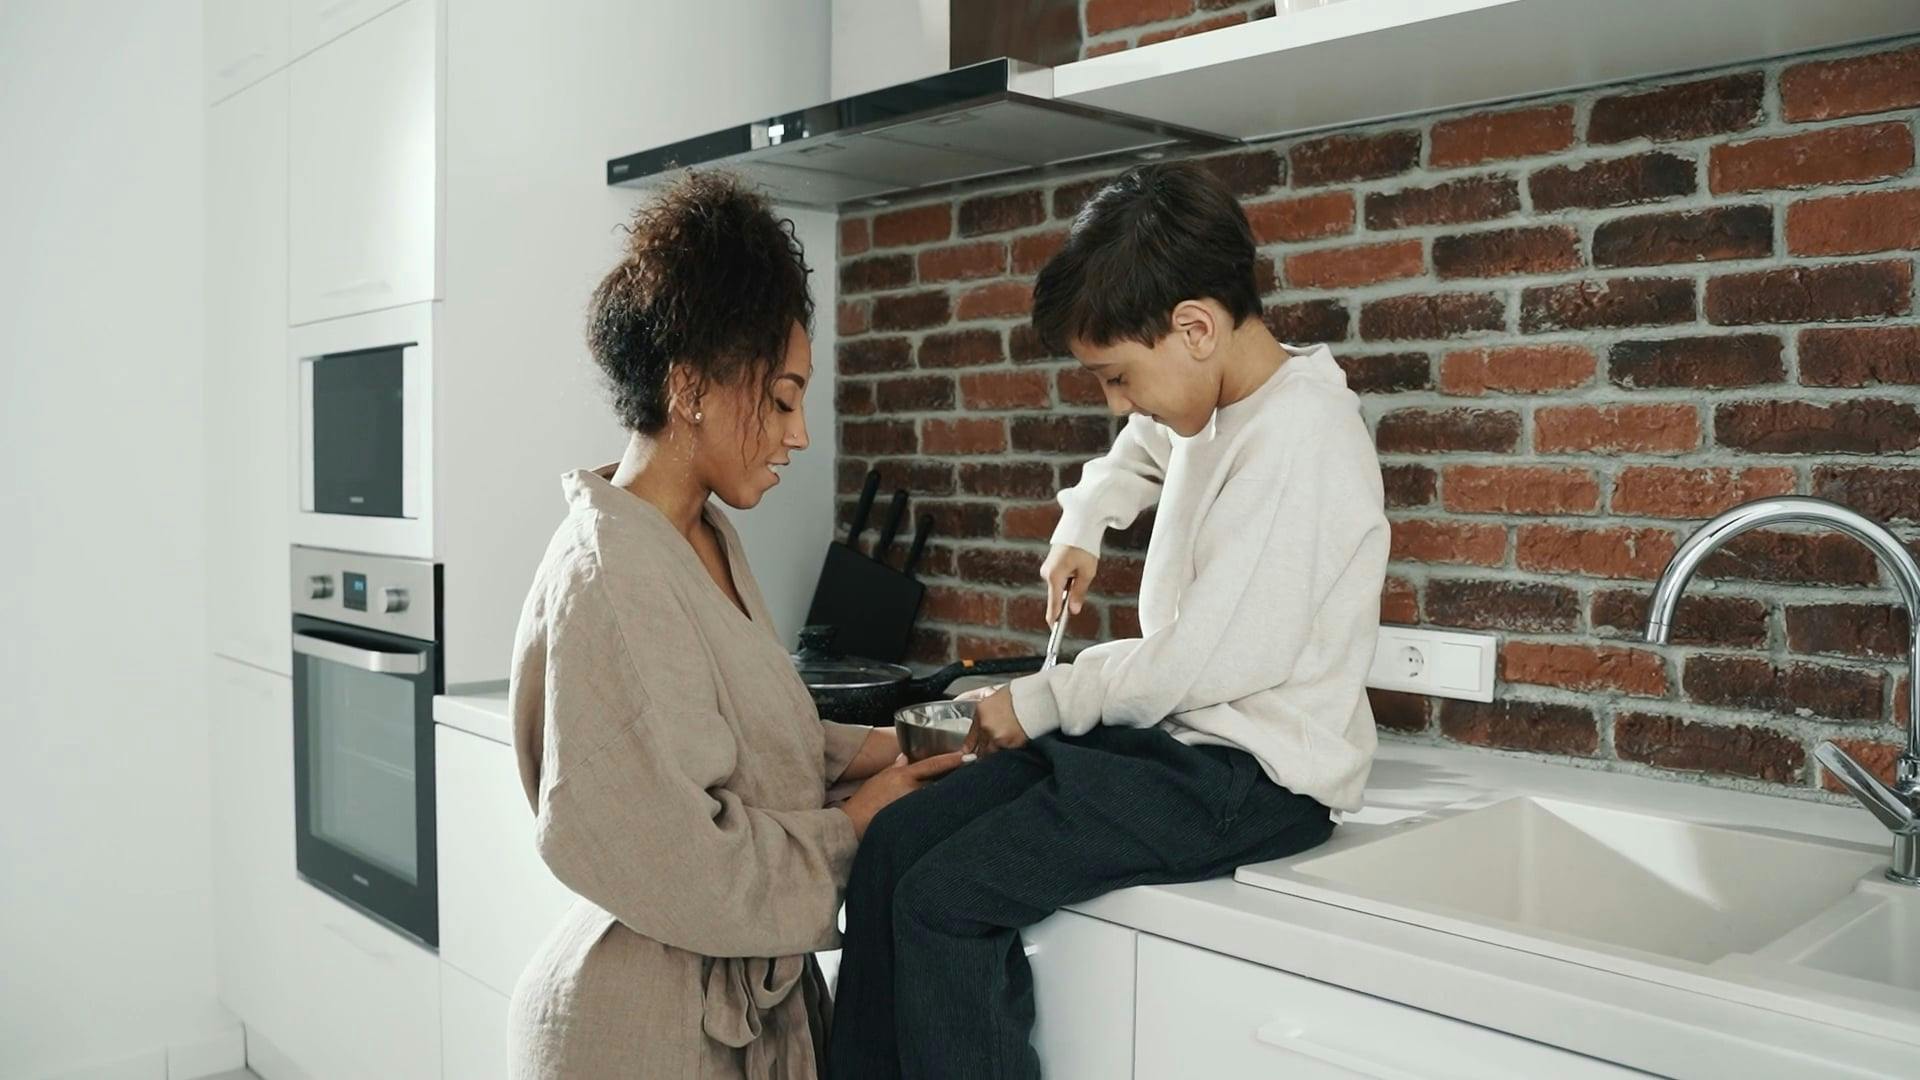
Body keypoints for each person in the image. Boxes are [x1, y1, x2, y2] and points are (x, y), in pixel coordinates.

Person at [827, 161, 1390, 1080]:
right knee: (892, 845)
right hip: (1180, 753)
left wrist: (1041, 700)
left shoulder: (1304, 441)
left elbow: (1196, 664)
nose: (1116, 402)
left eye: (1117, 376)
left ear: (1195, 328)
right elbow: (1152, 440)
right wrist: (1085, 521)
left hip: (1253, 781)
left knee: (945, 897)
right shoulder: (1225, 397)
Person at [506, 171, 962, 1080]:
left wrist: (883, 746)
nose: (798, 436)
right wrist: (858, 825)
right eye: (784, 398)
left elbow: (735, 731)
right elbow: (695, 861)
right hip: (645, 1038)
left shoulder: (699, 533)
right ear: (690, 387)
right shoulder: (611, 575)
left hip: (721, 1020)